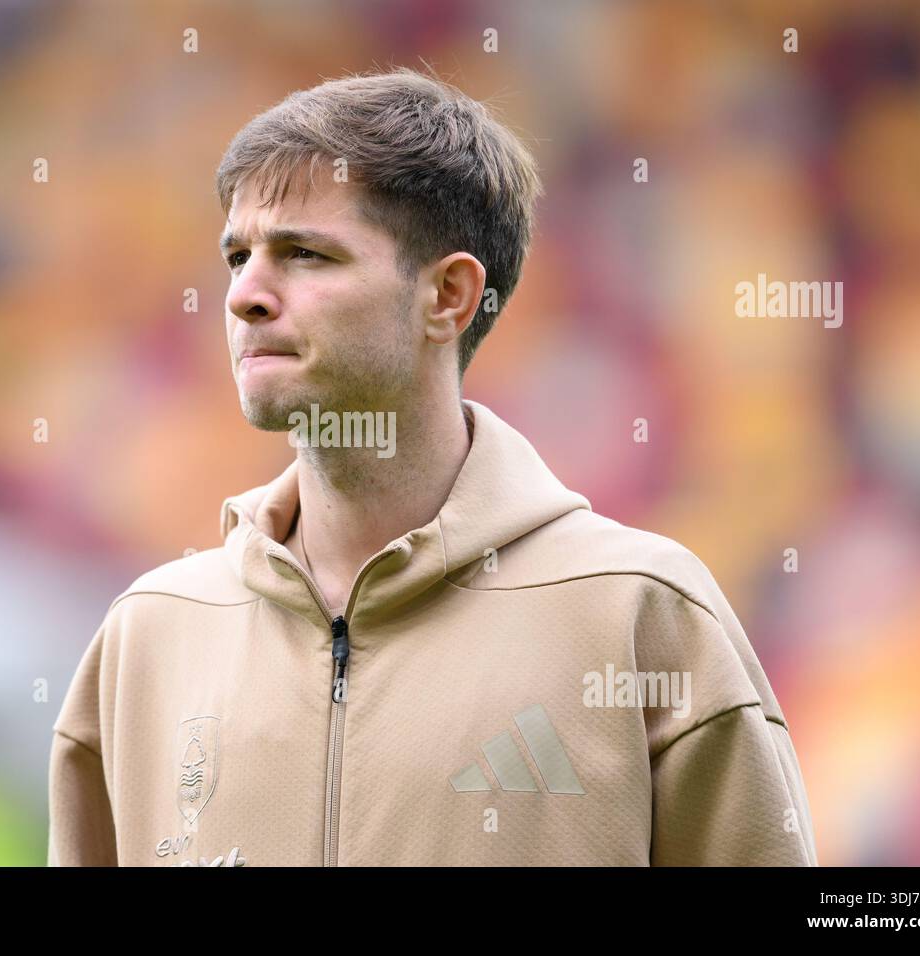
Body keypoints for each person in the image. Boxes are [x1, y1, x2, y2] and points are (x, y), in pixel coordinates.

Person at [48, 67, 818, 866]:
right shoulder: (151, 633)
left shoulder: (637, 613)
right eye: (237, 256)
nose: (246, 292)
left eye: (305, 254)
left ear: (449, 296)